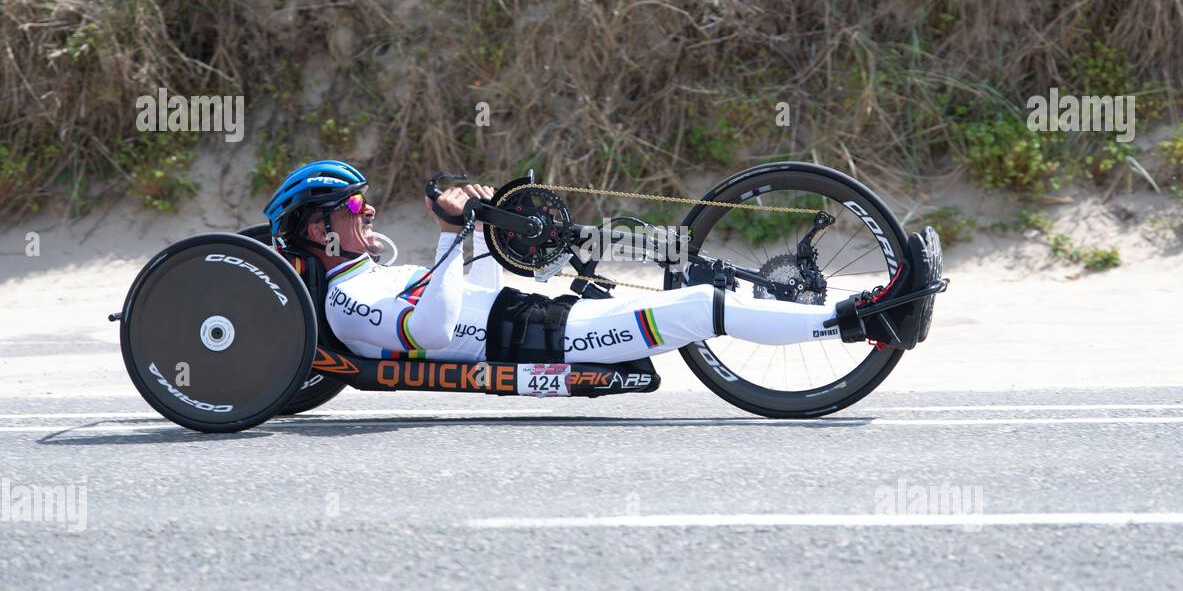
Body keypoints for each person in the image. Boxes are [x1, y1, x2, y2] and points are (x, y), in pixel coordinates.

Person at [262, 161, 919, 364]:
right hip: (557, 340)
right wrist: (449, 236)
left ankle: (843, 304)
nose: (369, 212)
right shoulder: (348, 302)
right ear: (320, 231)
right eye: (354, 206)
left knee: (693, 281)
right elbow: (435, 330)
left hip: (546, 317)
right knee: (703, 308)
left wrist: (490, 227)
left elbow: (471, 295)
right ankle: (868, 319)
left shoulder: (368, 276)